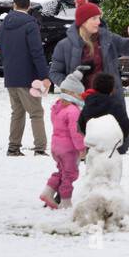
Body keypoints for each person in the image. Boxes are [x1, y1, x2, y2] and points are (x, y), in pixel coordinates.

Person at [48, 0, 129, 100]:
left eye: (99, 18)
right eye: (94, 19)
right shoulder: (64, 45)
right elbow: (55, 72)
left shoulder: (109, 39)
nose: (98, 22)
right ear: (83, 22)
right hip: (79, 102)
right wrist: (69, 85)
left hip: (108, 100)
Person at [0, 0, 51, 156]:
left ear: (14, 5)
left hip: (11, 75)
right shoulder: (30, 24)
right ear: (29, 6)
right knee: (36, 112)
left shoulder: (4, 24)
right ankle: (40, 148)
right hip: (28, 75)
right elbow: (37, 52)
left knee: (17, 112)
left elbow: (2, 50)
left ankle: (13, 147)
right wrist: (45, 76)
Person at [40, 70, 86, 210]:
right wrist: (82, 149)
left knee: (61, 171)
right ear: (72, 94)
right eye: (79, 94)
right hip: (69, 149)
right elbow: (76, 133)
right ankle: (65, 202)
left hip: (56, 147)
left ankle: (48, 192)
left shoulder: (57, 107)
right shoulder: (73, 111)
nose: (81, 97)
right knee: (69, 174)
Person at [78, 72, 129, 154]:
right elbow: (125, 124)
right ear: (112, 89)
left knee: (93, 165)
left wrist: (88, 135)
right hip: (112, 148)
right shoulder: (116, 105)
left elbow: (81, 123)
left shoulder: (89, 104)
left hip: (93, 147)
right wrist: (121, 139)